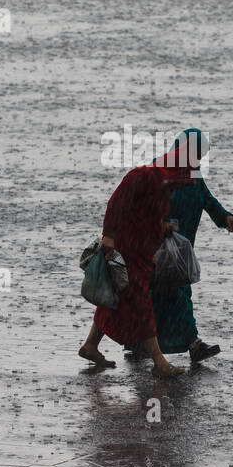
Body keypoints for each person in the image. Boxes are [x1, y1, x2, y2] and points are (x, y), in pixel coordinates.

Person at [78, 144, 197, 378]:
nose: (182, 187)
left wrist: (164, 228)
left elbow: (148, 214)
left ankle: (90, 346)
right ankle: (159, 362)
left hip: (142, 254)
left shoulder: (164, 188)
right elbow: (116, 204)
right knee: (142, 304)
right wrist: (109, 237)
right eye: (183, 180)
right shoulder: (140, 177)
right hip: (126, 252)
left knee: (115, 300)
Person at [144, 129, 233, 364]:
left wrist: (226, 218)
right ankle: (193, 345)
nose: (199, 159)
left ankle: (143, 343)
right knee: (174, 293)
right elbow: (143, 202)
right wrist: (158, 223)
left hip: (183, 248)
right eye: (196, 153)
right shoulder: (160, 169)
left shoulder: (193, 174)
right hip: (158, 245)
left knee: (168, 294)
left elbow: (207, 200)